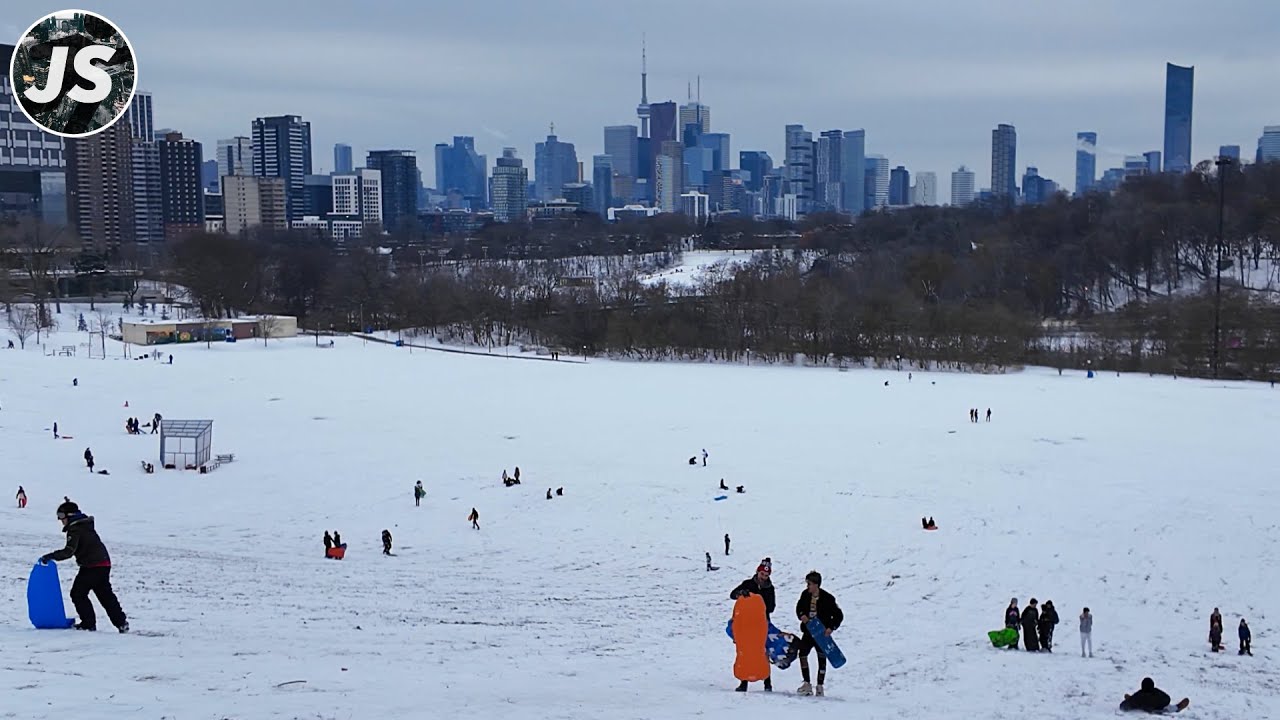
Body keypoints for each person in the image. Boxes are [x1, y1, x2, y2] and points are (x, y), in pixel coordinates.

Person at [39, 501, 128, 633]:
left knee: (77, 593)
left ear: (70, 515)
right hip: (103, 563)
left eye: (61, 516)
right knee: (105, 595)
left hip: (91, 566)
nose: (60, 520)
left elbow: (69, 551)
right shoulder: (85, 525)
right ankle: (121, 623)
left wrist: (50, 556)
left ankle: (88, 624)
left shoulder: (75, 529)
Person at [730, 559, 775, 692]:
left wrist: (758, 602)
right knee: (746, 650)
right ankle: (744, 682)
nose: (763, 577)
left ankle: (767, 682)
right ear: (757, 572)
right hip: (746, 624)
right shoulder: (748, 584)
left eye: (766, 576)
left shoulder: (769, 588)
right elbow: (733, 595)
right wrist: (741, 594)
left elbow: (771, 607)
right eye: (762, 574)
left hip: (761, 624)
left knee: (763, 651)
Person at [795, 570, 842, 696]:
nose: (807, 586)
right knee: (803, 654)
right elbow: (799, 608)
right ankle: (807, 683)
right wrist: (802, 616)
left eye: (809, 584)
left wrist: (831, 627)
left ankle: (820, 685)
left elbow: (838, 615)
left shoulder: (828, 598)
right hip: (808, 631)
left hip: (821, 633)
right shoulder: (805, 595)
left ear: (816, 584)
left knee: (822, 657)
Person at [1119, 677, 1189, 713]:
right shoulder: (1156, 692)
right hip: (1160, 709)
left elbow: (1122, 707)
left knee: (1134, 702)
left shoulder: (1139, 695)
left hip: (1145, 707)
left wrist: (1130, 700)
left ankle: (1130, 699)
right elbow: (1167, 699)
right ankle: (1177, 707)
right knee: (1168, 708)